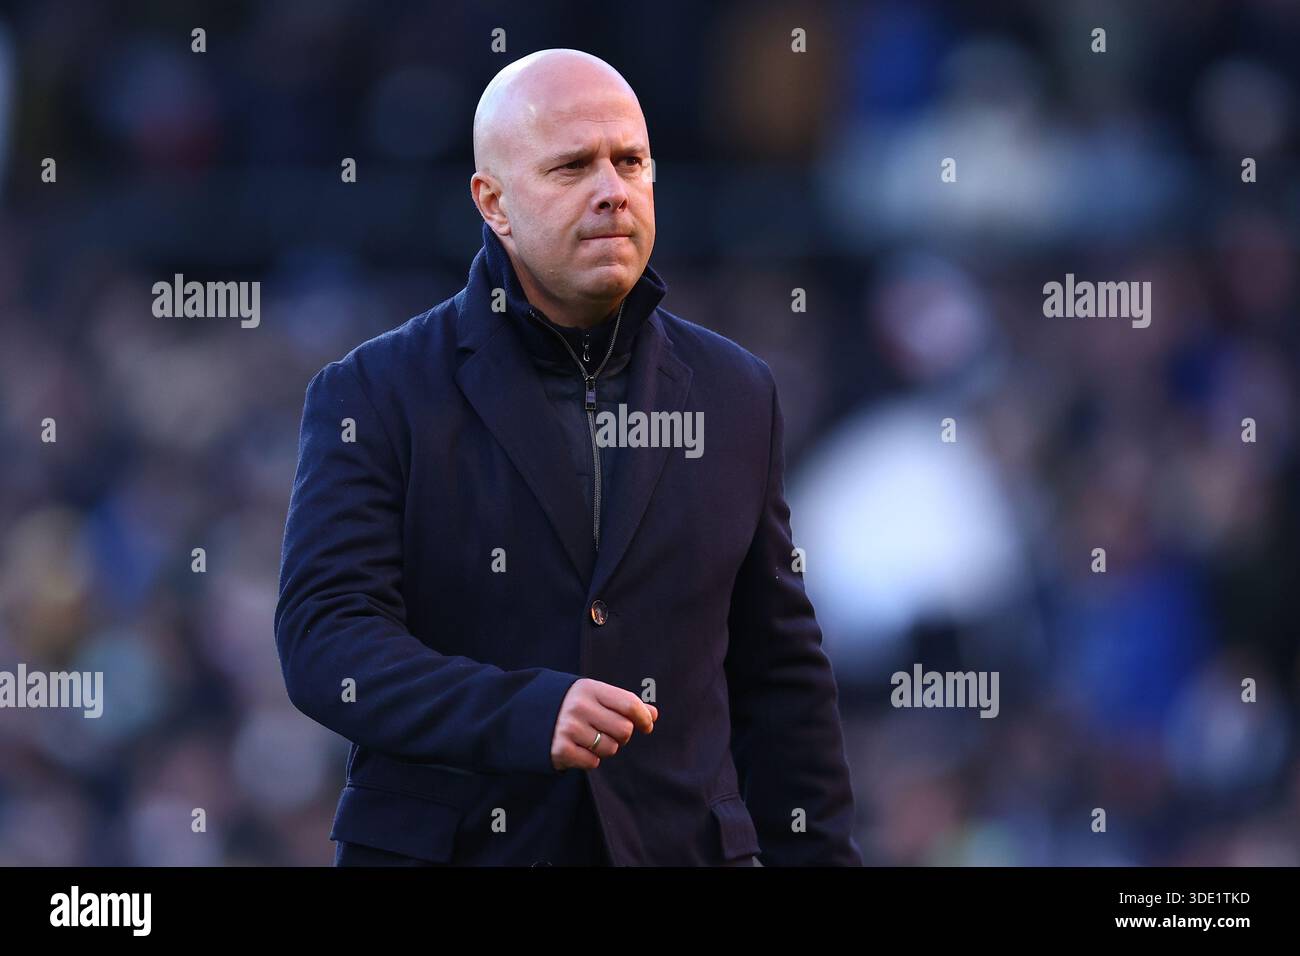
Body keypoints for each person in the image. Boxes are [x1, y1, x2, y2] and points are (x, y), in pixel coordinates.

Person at [274, 48, 862, 866]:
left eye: (630, 161)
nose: (612, 190)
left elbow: (782, 679)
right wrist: (519, 714)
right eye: (573, 166)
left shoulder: (737, 393)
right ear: (495, 202)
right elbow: (324, 640)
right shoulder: (374, 393)